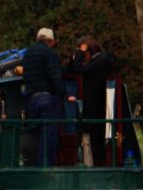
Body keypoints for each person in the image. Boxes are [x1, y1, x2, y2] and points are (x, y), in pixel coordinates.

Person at [20, 27, 72, 167]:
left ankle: (32, 167)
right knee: (49, 137)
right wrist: (66, 94)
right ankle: (45, 170)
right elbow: (55, 77)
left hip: (31, 101)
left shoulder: (28, 54)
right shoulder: (50, 54)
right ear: (50, 41)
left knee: (35, 136)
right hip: (48, 100)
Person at [66, 36, 117, 165]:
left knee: (92, 137)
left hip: (96, 105)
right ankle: (90, 164)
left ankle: (94, 164)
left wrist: (80, 53)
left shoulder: (100, 61)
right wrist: (75, 57)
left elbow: (79, 70)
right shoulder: (97, 61)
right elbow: (73, 69)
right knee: (87, 137)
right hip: (91, 104)